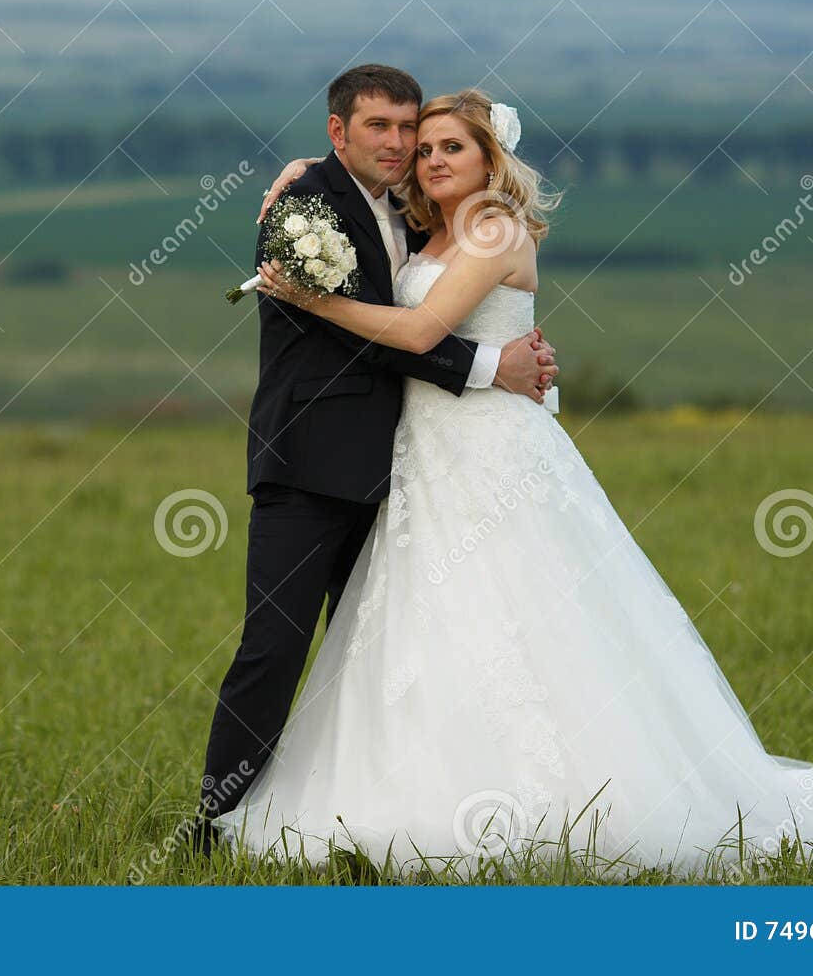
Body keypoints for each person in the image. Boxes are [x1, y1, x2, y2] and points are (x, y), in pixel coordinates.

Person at [210, 87, 813, 878]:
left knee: (516, 619)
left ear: (491, 158)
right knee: (417, 624)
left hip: (491, 459)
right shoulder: (425, 226)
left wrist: (313, 297)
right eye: (424, 144)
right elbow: (376, 240)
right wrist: (307, 167)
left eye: (452, 146)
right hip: (420, 458)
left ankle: (554, 803)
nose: (431, 156)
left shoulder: (491, 225)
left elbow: (413, 330)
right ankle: (391, 789)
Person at [191, 66, 560, 852]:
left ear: (485, 155)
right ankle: (215, 822)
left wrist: (496, 359)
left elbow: (414, 323)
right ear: (337, 132)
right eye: (384, 130)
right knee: (275, 646)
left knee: (385, 648)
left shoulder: (419, 215)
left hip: (407, 468)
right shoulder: (300, 211)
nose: (404, 149)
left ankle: (383, 810)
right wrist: (493, 365)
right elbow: (370, 335)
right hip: (309, 462)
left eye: (416, 134)